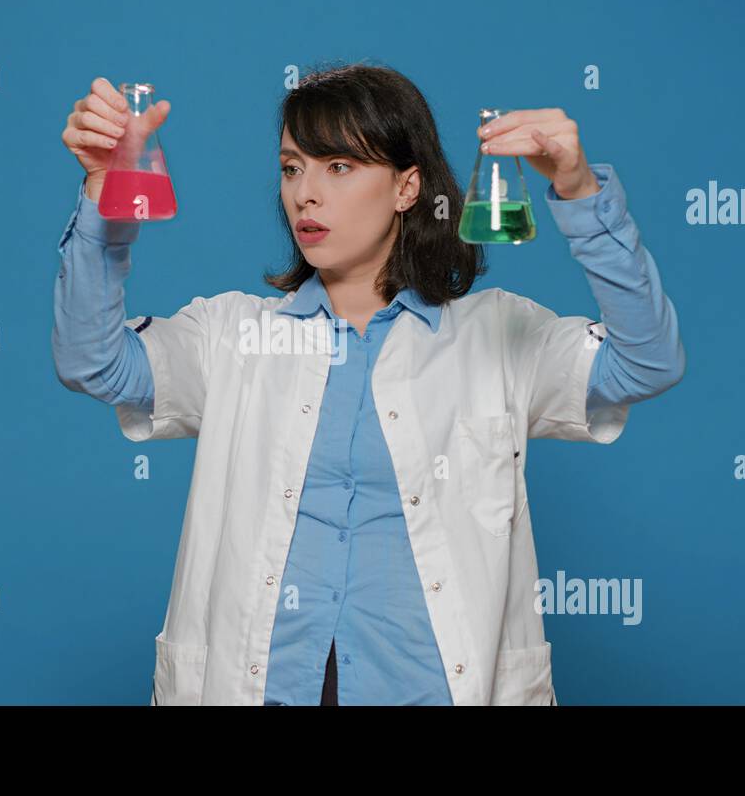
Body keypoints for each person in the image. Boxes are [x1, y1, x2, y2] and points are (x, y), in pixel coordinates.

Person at [53, 64, 684, 706]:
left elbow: (646, 362)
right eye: (293, 167)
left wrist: (579, 194)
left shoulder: (497, 335)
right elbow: (93, 361)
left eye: (340, 167)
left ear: (408, 187)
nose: (306, 194)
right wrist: (104, 189)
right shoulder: (232, 334)